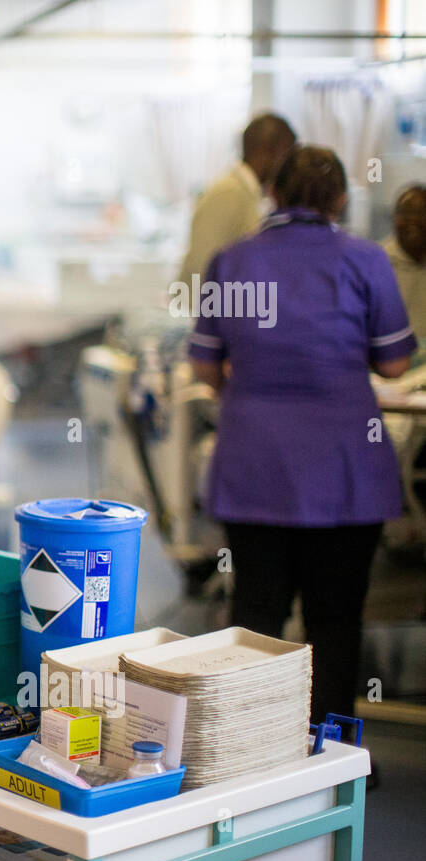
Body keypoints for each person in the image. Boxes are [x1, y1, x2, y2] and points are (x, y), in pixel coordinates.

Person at [188, 145, 416, 726]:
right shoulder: (366, 261)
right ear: (340, 200)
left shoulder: (230, 262)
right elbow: (394, 365)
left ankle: (252, 752)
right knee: (335, 618)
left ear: (274, 195)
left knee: (257, 616)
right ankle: (332, 750)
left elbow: (205, 368)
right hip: (345, 466)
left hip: (254, 465)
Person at [178, 113, 296, 289]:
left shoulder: (248, 193)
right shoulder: (228, 193)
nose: (289, 168)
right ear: (265, 151)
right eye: (286, 156)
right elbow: (201, 267)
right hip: (205, 311)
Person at [381, 183, 426, 362]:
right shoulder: (377, 263)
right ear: (394, 218)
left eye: (421, 213)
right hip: (389, 368)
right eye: (405, 213)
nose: (412, 221)